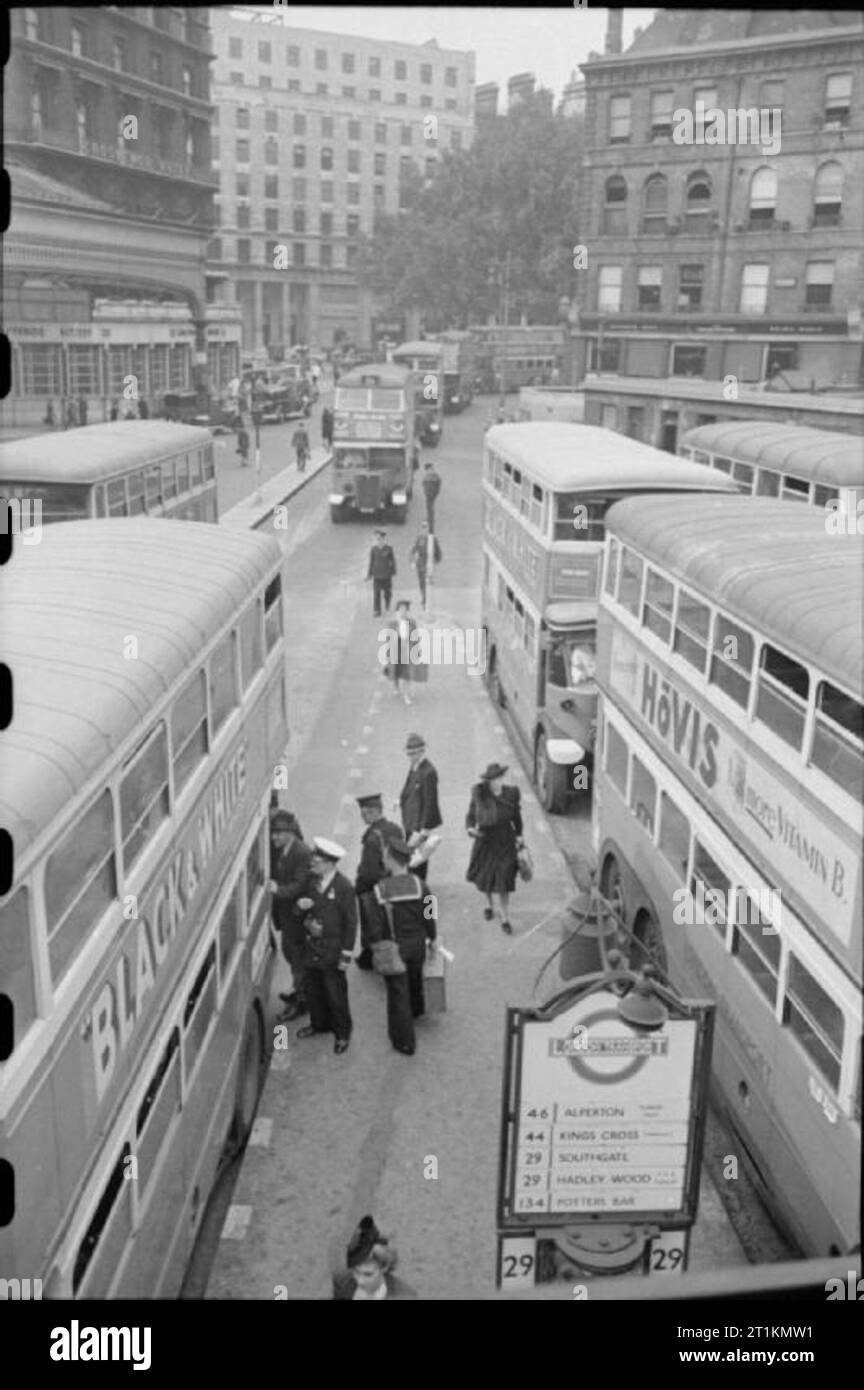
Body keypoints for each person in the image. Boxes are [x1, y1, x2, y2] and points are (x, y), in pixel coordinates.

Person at [365, 833, 437, 1055]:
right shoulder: (421, 885)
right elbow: (430, 914)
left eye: (386, 856)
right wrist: (432, 938)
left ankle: (404, 1041)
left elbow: (375, 927)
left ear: (393, 860)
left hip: (395, 947)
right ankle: (417, 1010)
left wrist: (374, 946)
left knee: (397, 994)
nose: (383, 860)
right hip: (417, 945)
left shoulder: (381, 890)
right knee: (415, 979)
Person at [296, 838, 356, 1055]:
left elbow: (351, 923)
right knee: (314, 990)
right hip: (312, 948)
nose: (313, 864)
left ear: (330, 864)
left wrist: (346, 956)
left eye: (318, 861)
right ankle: (319, 1023)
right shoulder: (313, 882)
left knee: (335, 994)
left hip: (332, 950)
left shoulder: (343, 887)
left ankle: (342, 1033)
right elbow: (303, 910)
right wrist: (302, 911)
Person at [465, 762, 524, 935]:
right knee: (486, 878)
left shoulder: (511, 794)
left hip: (506, 842)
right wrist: (470, 828)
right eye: (494, 779)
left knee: (505, 880)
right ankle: (489, 905)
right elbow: (470, 817)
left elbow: (517, 817)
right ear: (488, 781)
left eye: (500, 778)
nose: (498, 782)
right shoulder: (480, 794)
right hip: (485, 841)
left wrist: (520, 835)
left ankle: (505, 917)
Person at [268, 811, 315, 1022]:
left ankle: (301, 1001)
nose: (274, 838)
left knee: (297, 957)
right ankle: (299, 991)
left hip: (297, 917)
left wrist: (276, 890)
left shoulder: (302, 853)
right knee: (290, 953)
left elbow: (300, 884)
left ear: (290, 832)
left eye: (278, 833)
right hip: (287, 917)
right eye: (273, 833)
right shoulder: (283, 850)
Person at [354, 793, 402, 972]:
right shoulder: (395, 829)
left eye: (364, 813)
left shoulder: (373, 837)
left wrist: (359, 888)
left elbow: (368, 871)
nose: (362, 817)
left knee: (372, 926)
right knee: (390, 924)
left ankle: (372, 960)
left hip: (373, 890)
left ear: (371, 812)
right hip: (393, 885)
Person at [333, 1216, 417, 1300]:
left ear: (384, 1267)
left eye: (368, 1274)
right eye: (355, 1272)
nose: (360, 1281)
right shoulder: (341, 1282)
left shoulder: (404, 1296)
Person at [399, 733, 442, 884]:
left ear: (422, 751)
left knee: (419, 859)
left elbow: (430, 802)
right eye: (409, 753)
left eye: (414, 753)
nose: (411, 757)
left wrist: (424, 830)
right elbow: (409, 789)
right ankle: (414, 885)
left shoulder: (429, 772)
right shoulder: (415, 767)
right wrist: (400, 801)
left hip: (419, 825)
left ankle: (419, 888)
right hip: (410, 822)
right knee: (412, 857)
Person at [382, 598, 417, 705]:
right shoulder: (392, 623)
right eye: (401, 609)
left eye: (405, 609)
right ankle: (396, 686)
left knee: (406, 674)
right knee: (395, 671)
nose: (403, 612)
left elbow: (415, 637)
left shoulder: (411, 622)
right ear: (397, 611)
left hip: (407, 649)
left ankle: (406, 696)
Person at [409, 522, 442, 610]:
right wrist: (412, 561)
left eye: (426, 527)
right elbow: (413, 550)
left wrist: (436, 560)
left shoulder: (433, 539)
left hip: (429, 564)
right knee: (422, 583)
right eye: (423, 527)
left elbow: (438, 552)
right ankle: (424, 598)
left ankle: (426, 600)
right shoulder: (419, 538)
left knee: (428, 582)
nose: (425, 529)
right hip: (421, 564)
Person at [366, 528, 396, 618]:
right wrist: (369, 574)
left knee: (387, 593)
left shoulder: (389, 549)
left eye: (379, 539)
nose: (378, 541)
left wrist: (393, 571)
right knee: (376, 593)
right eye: (377, 539)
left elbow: (392, 561)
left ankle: (387, 606)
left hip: (386, 575)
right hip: (377, 575)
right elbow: (371, 562)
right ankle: (376, 610)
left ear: (383, 539)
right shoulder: (373, 549)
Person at [421, 461, 442, 531]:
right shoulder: (436, 474)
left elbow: (424, 484)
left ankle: (428, 521)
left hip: (429, 493)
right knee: (431, 506)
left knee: (429, 507)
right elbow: (439, 483)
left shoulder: (427, 475)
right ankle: (429, 520)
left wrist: (426, 492)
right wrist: (436, 493)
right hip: (434, 493)